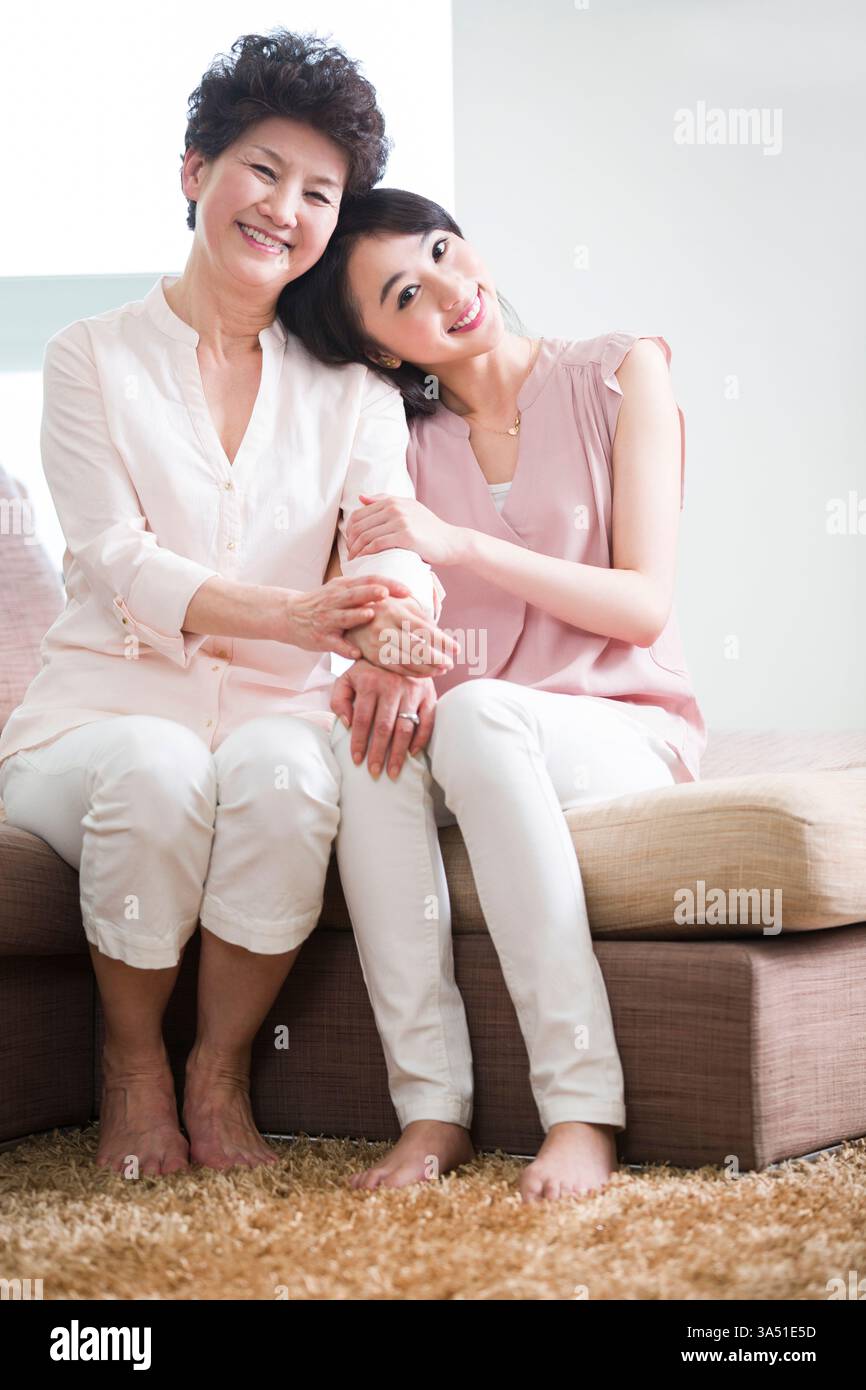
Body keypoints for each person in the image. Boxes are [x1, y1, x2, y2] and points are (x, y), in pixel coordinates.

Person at [0, 35, 458, 1178]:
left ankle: (215, 1069)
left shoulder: (349, 391)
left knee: (293, 775)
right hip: (95, 713)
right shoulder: (89, 357)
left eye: (319, 193)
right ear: (195, 169)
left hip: (271, 713)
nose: (286, 210)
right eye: (263, 171)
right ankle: (131, 1068)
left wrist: (396, 629)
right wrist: (295, 617)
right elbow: (110, 556)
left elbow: (391, 541)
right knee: (156, 766)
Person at [278, 187, 708, 1202]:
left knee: (473, 710)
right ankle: (430, 1110)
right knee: (364, 741)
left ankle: (579, 1110)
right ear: (382, 349)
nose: (451, 290)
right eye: (406, 293)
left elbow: (641, 604)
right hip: (482, 739)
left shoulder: (616, 369)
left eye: (442, 251)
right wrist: (380, 655)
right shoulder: (399, 446)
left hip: (623, 725)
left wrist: (460, 543)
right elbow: (378, 601)